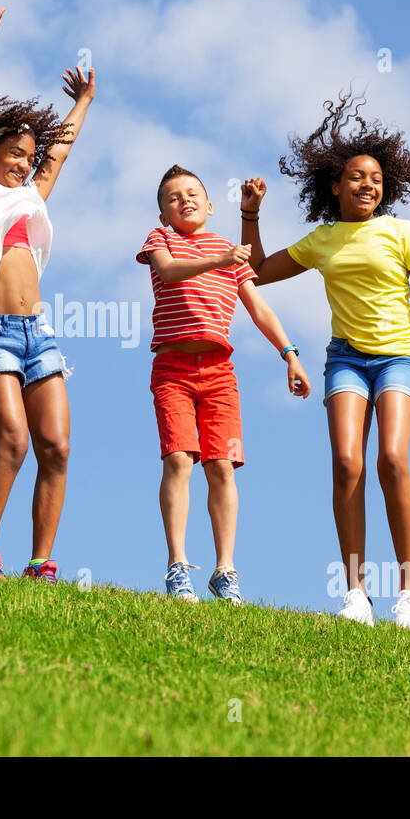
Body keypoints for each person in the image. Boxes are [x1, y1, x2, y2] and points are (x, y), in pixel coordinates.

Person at [241, 91, 410, 631]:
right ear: (335, 185)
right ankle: (357, 593)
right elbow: (259, 270)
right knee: (346, 464)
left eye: (377, 179)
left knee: (390, 459)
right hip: (345, 359)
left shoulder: (400, 231)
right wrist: (250, 214)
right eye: (358, 177)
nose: (368, 185)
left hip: (399, 358)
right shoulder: (322, 240)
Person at [0, 0, 96, 582]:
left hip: (40, 334)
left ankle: (41, 563)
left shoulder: (31, 196)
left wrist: (81, 103)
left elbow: (60, 151)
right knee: (13, 441)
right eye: (13, 154)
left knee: (55, 446)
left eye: (28, 159)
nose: (24, 165)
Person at [137, 166, 310, 604]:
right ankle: (178, 567)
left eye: (193, 193)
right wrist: (222, 259)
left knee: (221, 467)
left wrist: (290, 354)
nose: (185, 200)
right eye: (173, 198)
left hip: (219, 373)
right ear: (163, 214)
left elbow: (258, 308)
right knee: (178, 460)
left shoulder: (231, 253)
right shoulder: (162, 241)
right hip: (173, 368)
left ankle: (225, 571)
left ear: (211, 206)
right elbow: (171, 273)